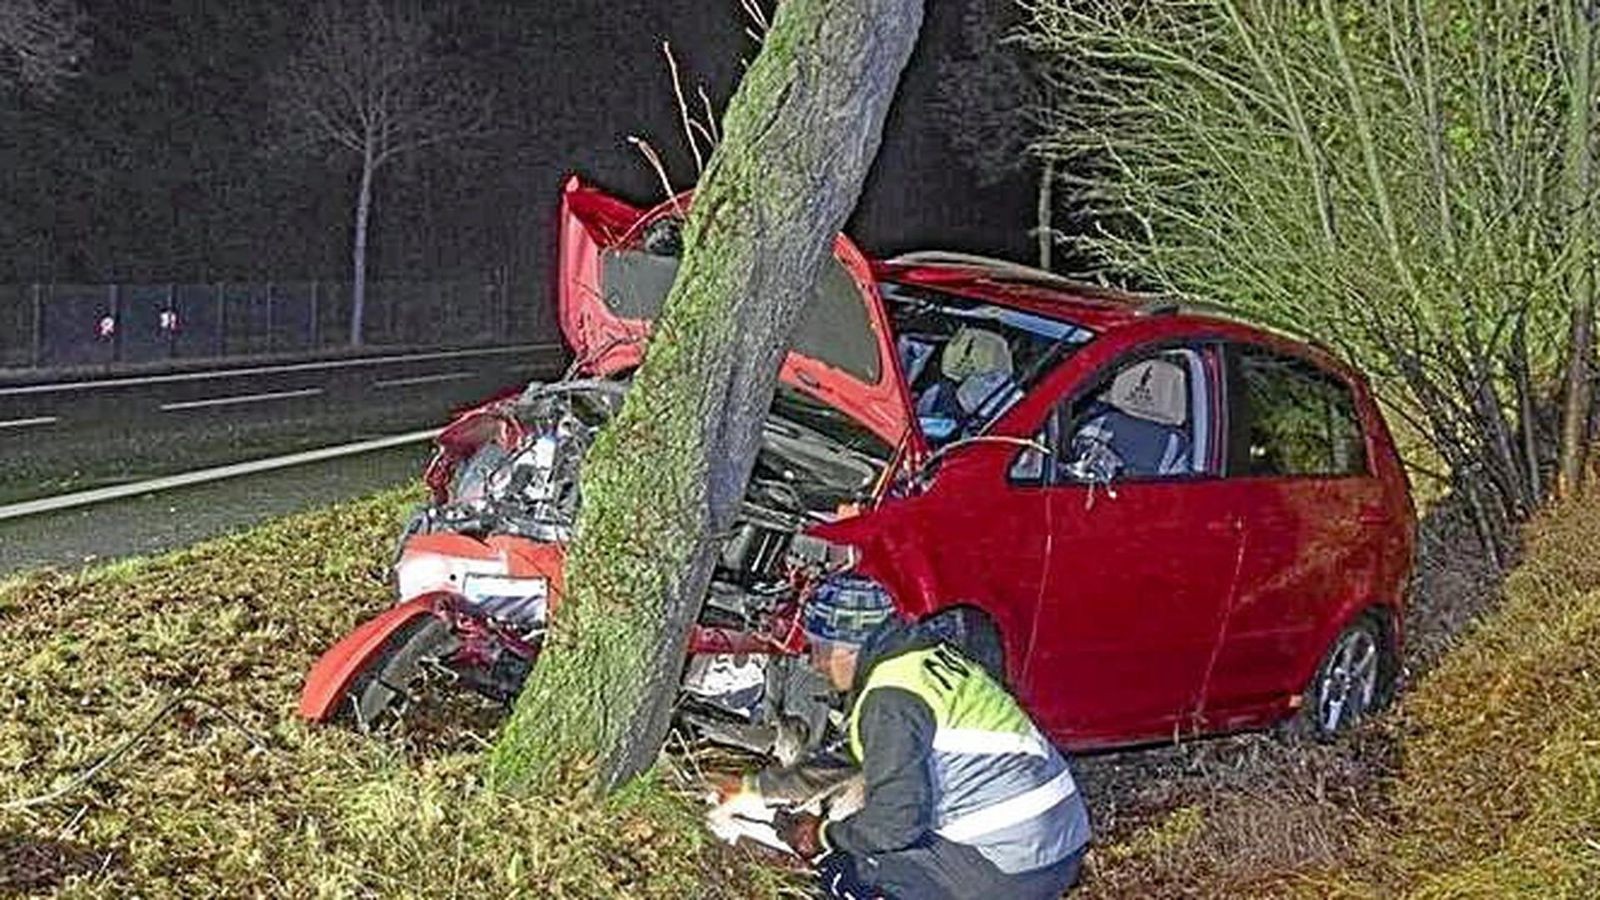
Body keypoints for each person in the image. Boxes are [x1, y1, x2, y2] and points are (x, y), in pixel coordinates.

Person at [717, 575, 1091, 899]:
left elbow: (896, 825)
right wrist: (757, 788)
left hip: (1011, 868)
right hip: (1058, 843)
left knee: (845, 873)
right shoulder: (916, 659)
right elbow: (850, 758)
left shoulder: (888, 700)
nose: (815, 664)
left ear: (847, 649)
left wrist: (824, 836)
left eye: (819, 650)